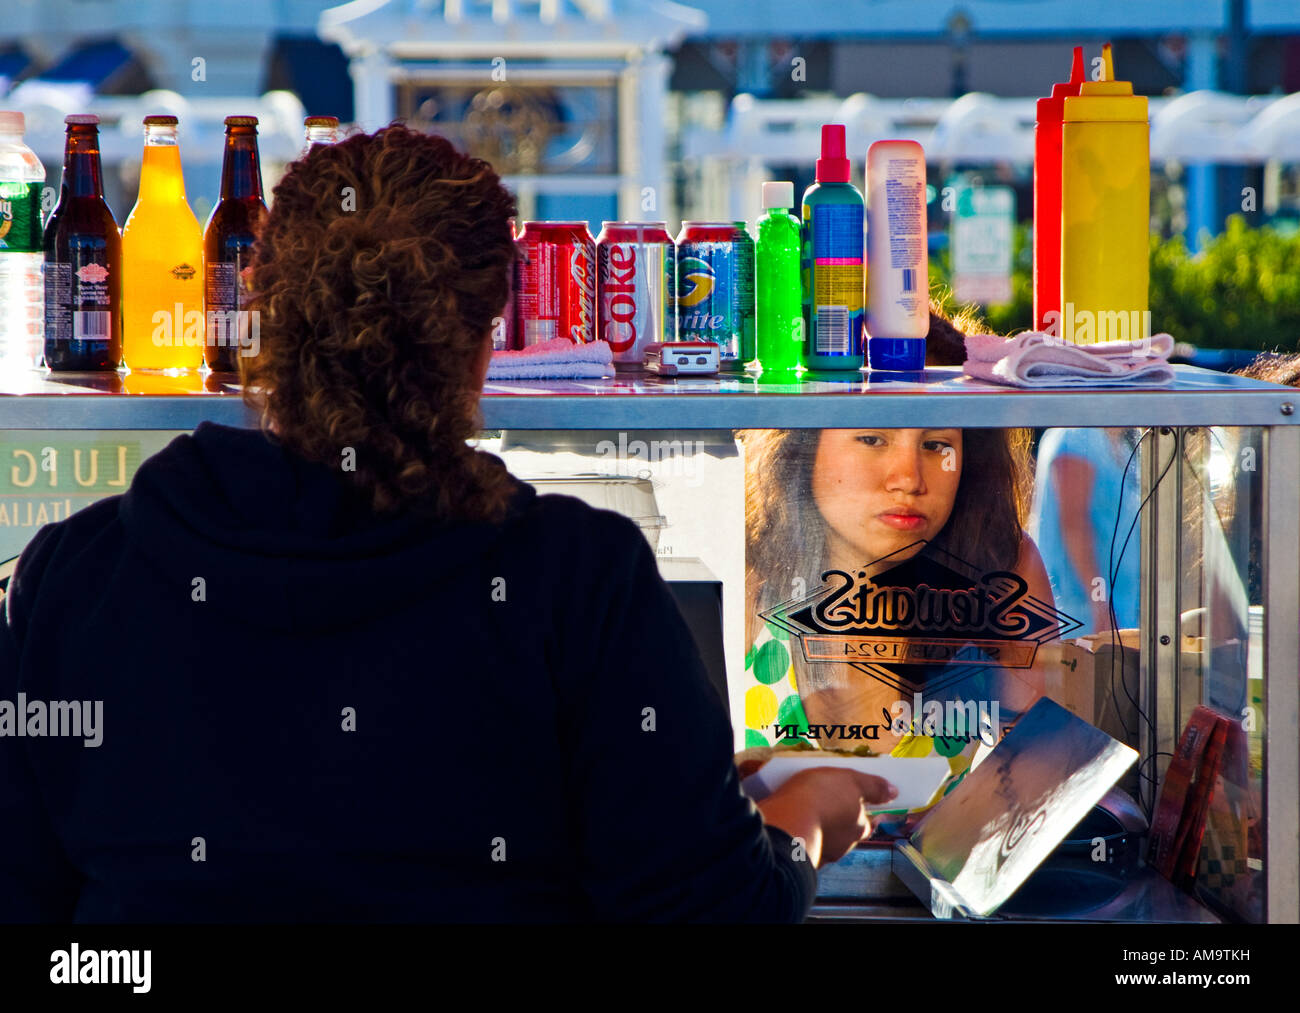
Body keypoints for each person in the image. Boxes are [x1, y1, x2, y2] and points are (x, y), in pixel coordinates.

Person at [0, 124, 891, 923]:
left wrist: (684, 785)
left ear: (257, 320)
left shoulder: (76, 574)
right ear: (481, 344)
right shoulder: (577, 582)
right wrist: (801, 819)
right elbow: (707, 905)